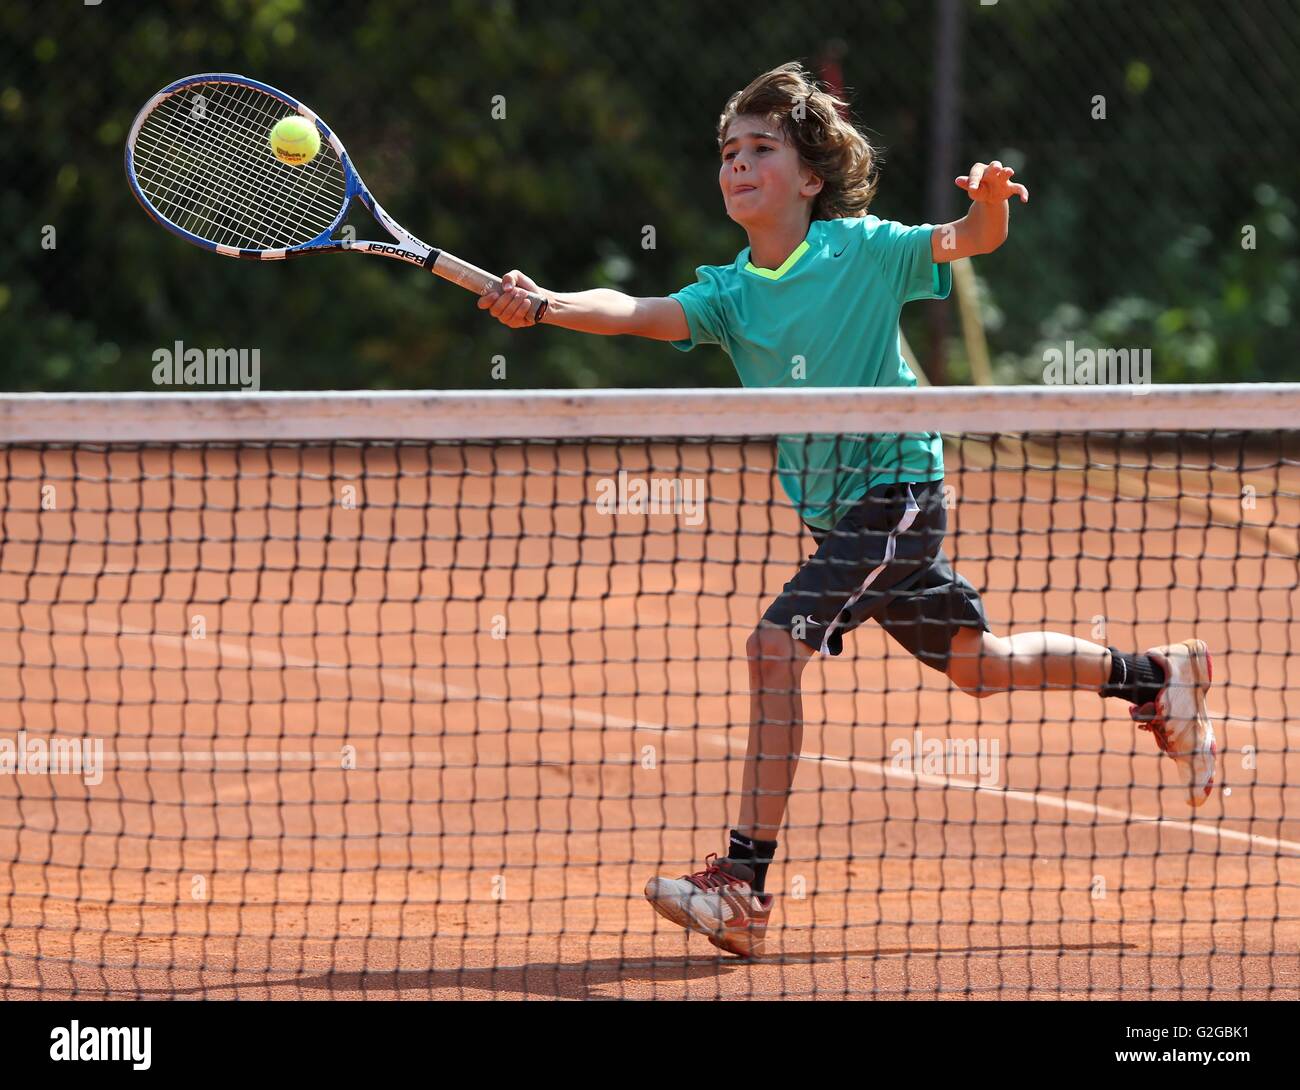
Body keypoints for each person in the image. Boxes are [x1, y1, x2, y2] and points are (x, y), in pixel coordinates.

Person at [478, 61, 1216, 959]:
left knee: (772, 648)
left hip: (899, 491)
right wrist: (548, 304)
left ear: (813, 177)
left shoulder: (865, 248)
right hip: (841, 519)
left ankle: (742, 886)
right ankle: (1153, 676)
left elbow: (970, 240)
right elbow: (635, 310)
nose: (738, 165)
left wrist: (991, 201)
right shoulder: (730, 292)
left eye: (761, 148)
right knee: (979, 667)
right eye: (727, 152)